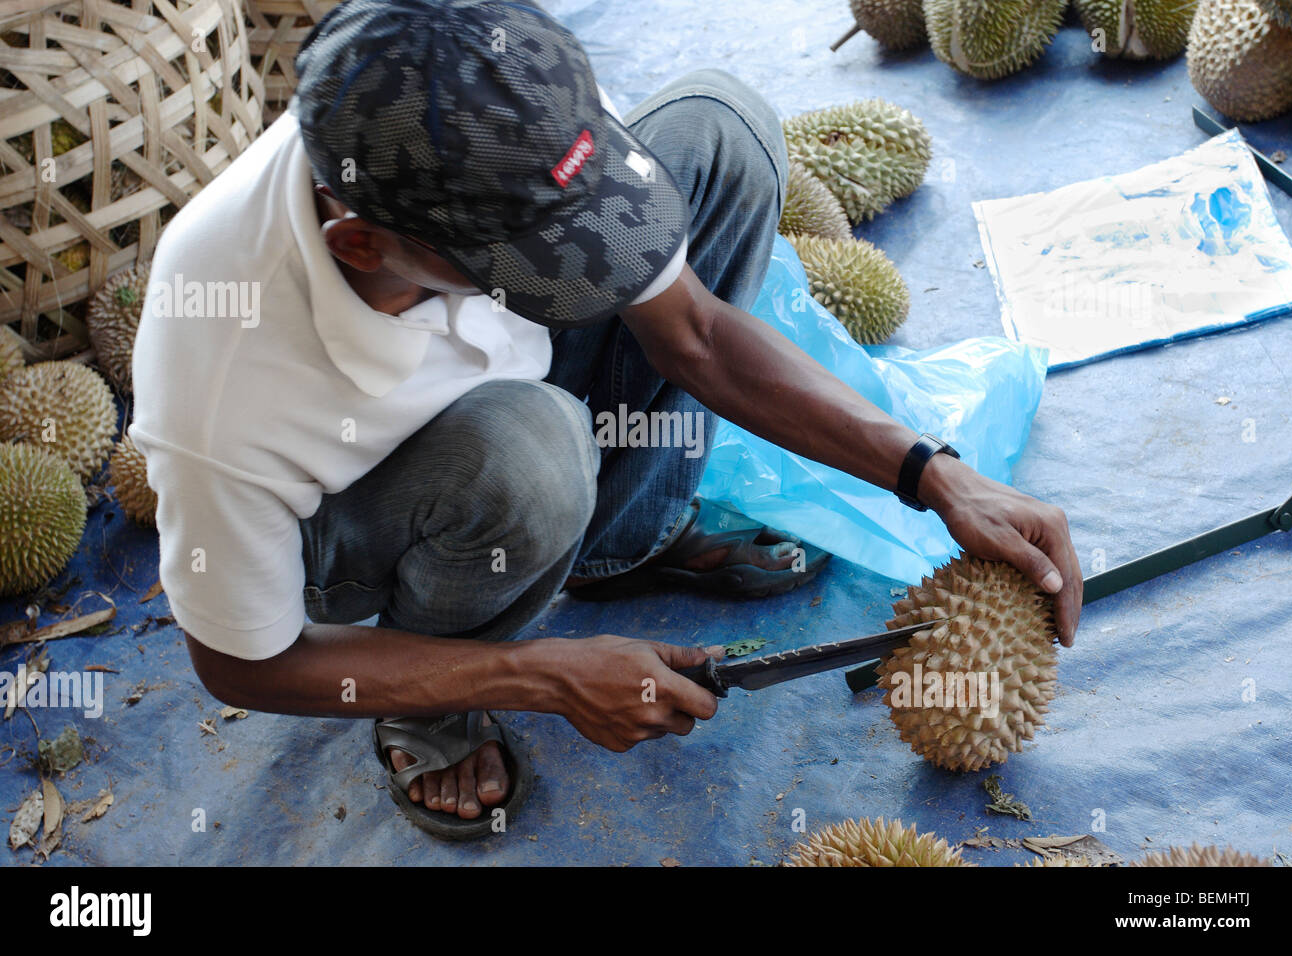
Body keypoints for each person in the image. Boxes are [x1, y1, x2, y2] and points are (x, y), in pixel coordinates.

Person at [131, 0, 1082, 840]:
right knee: (529, 452)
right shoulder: (221, 358)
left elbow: (698, 335)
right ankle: (433, 705)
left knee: (722, 133)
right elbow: (242, 664)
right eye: (527, 258)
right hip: (361, 518)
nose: (580, 259)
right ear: (363, 243)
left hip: (504, 381)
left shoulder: (500, 100)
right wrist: (540, 676)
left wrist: (931, 472)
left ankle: (620, 542)